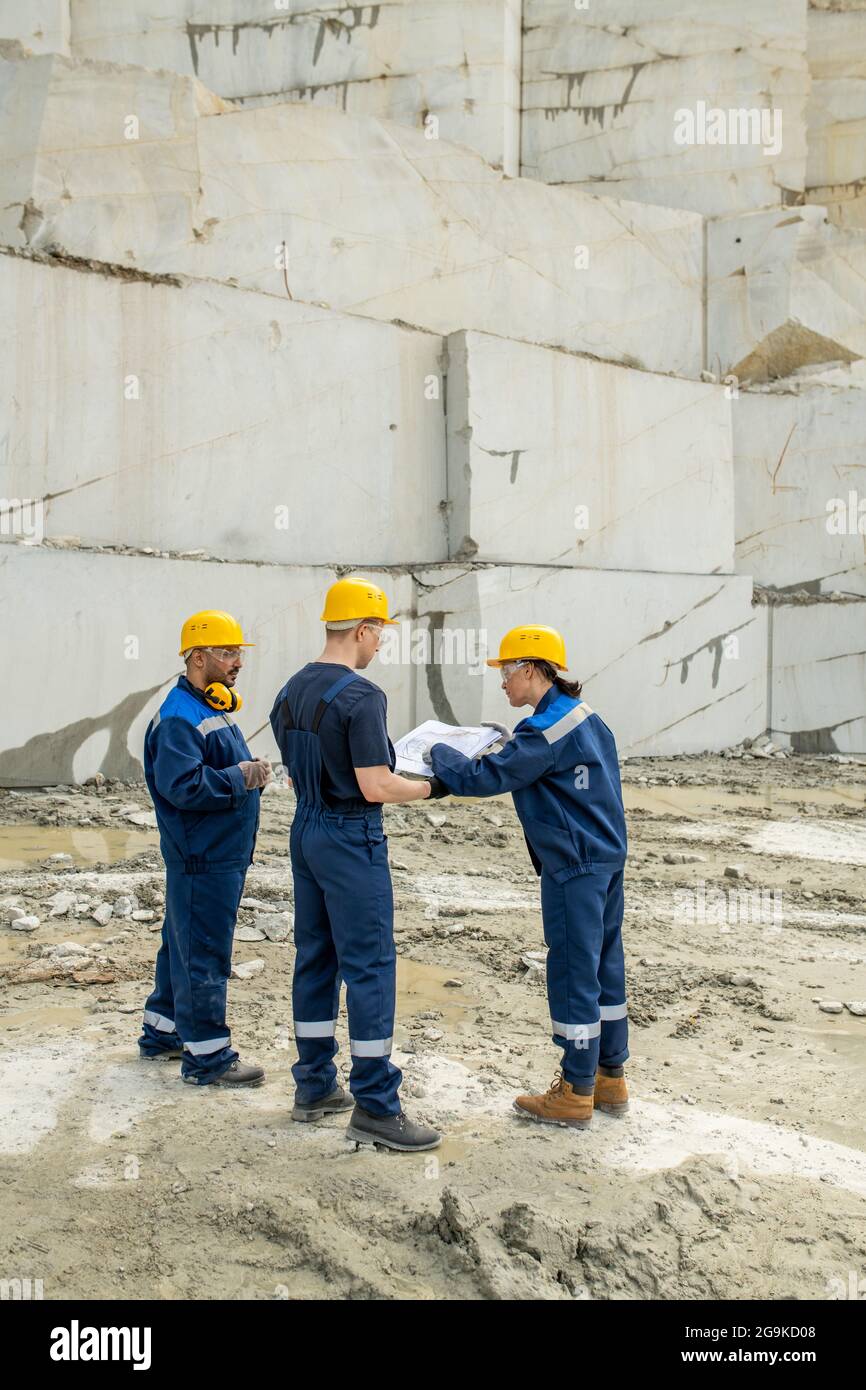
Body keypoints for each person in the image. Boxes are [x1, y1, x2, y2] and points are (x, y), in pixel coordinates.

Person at [427, 624, 629, 1130]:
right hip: (605, 858)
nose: (503, 682)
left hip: (573, 865)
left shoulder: (544, 732)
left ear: (534, 670)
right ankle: (609, 1078)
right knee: (605, 968)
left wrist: (438, 751)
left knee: (573, 973)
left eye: (507, 671)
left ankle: (575, 1092)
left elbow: (483, 778)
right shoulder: (584, 717)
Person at [270, 577, 442, 1152]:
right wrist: (432, 787)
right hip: (349, 836)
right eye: (380, 636)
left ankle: (315, 1084)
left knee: (316, 955)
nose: (380, 647)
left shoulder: (291, 691)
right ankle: (375, 1103)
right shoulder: (361, 696)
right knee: (369, 965)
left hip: (307, 829)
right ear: (363, 630)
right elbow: (375, 785)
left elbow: (298, 771)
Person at [139, 610, 271, 1086]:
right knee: (204, 952)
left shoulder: (209, 707)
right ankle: (207, 1058)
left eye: (239, 653)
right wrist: (242, 776)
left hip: (212, 851)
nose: (238, 662)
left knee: (182, 941)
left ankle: (163, 1032)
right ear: (198, 658)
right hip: (203, 854)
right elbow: (183, 787)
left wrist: (241, 768)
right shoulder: (180, 716)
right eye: (228, 653)